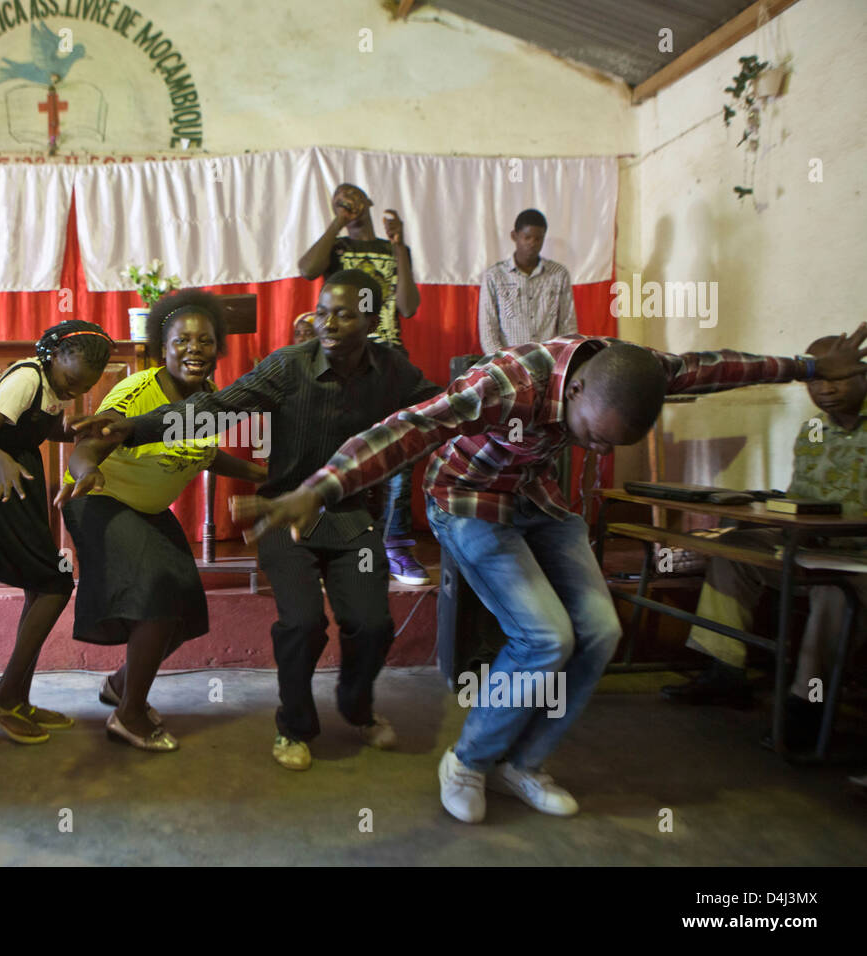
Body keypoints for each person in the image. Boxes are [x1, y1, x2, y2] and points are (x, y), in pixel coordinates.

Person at [237, 326, 867, 822]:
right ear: (574, 393)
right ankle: (468, 762)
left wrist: (809, 367)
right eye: (591, 436)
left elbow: (722, 367)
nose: (594, 452)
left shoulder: (639, 368)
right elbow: (411, 426)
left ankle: (525, 762)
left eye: (607, 446)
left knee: (599, 630)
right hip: (468, 498)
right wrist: (321, 487)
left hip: (535, 498)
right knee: (545, 637)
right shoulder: (505, 384)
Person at [84, 270, 442, 771]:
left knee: (372, 623)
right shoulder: (288, 367)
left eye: (344, 314)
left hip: (352, 520)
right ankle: (294, 728)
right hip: (280, 516)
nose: (329, 324)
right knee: (302, 623)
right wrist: (134, 429)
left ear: (372, 319)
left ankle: (358, 708)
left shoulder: (394, 372)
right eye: (322, 312)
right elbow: (214, 409)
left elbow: (443, 409)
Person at [57, 291, 266, 751]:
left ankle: (120, 686)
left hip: (148, 511)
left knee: (185, 607)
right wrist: (86, 472)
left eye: (205, 341)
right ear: (160, 348)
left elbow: (204, 453)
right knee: (155, 594)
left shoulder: (209, 399)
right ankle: (129, 715)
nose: (194, 349)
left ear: (218, 348)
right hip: (101, 500)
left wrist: (259, 473)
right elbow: (90, 445)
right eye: (182, 341)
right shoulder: (136, 393)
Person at [661, 335, 867, 752]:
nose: (825, 390)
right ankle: (725, 670)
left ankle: (806, 707)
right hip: (812, 542)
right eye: (816, 381)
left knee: (833, 591)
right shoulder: (814, 431)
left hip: (859, 557)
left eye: (837, 380)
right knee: (734, 548)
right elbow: (800, 497)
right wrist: (766, 506)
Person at [0, 320, 111, 745]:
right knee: (55, 583)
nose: (74, 391)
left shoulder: (53, 386)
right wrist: (4, 463)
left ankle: (17, 699)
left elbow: (39, 429)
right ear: (54, 356)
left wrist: (77, 426)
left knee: (40, 586)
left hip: (19, 479)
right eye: (72, 381)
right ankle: (3, 697)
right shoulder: (27, 377)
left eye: (84, 388)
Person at [300, 183, 427, 585]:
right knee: (338, 452)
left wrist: (400, 246)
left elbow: (407, 306)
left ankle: (395, 545)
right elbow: (306, 269)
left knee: (398, 455)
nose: (348, 207)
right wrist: (338, 219)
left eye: (353, 201)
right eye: (339, 204)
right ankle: (335, 545)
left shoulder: (391, 248)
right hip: (343, 358)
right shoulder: (335, 249)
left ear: (369, 203)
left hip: (388, 359)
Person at [478, 208, 577, 354]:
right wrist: (503, 364)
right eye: (527, 237)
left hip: (550, 362)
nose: (532, 243)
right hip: (508, 365)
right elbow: (488, 330)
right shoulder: (495, 276)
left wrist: (562, 359)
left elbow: (567, 326)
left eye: (538, 239)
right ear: (514, 236)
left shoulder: (558, 274)